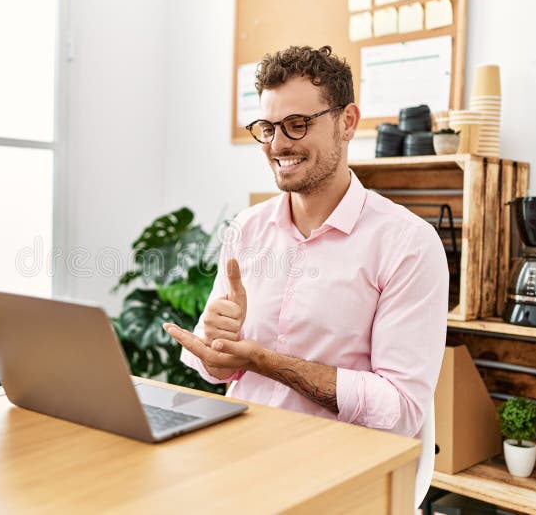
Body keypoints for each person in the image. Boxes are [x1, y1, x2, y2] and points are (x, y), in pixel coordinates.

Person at [164, 45, 448, 437]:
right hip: (241, 450)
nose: (278, 145)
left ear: (347, 122)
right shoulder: (246, 229)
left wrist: (267, 362)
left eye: (297, 123)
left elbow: (401, 410)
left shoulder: (408, 244)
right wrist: (217, 346)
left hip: (340, 470)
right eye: (267, 128)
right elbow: (221, 368)